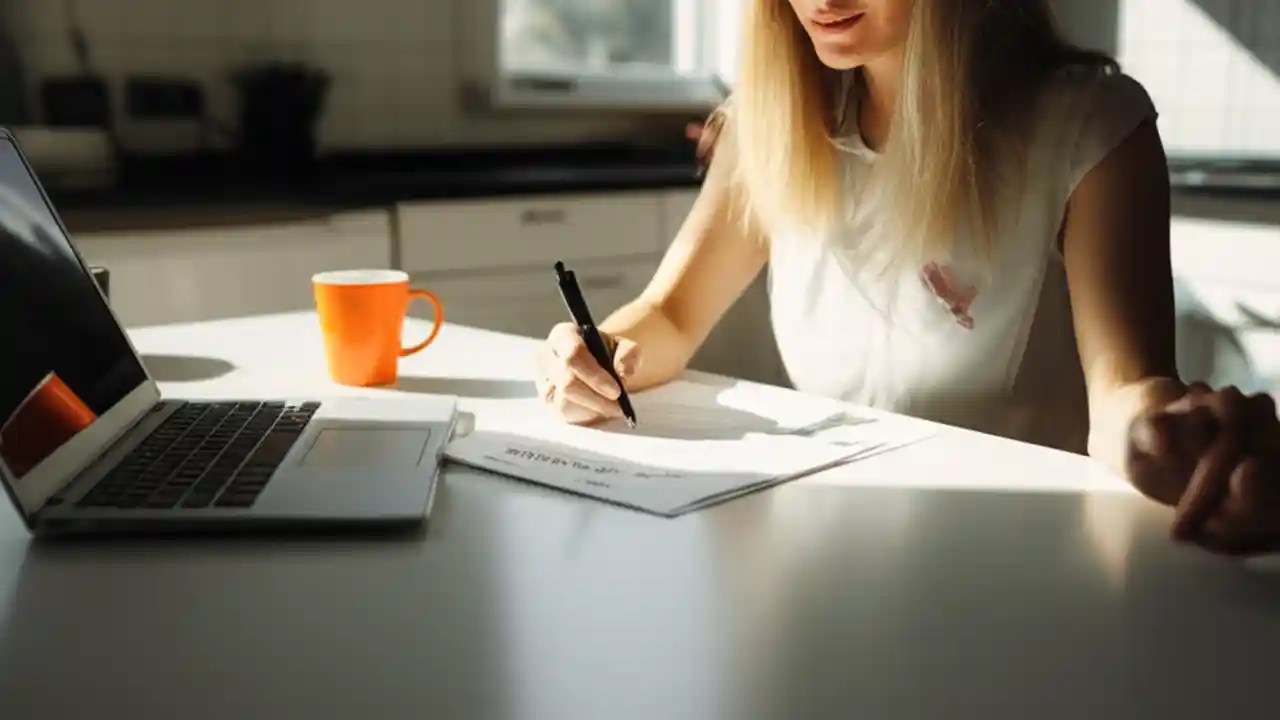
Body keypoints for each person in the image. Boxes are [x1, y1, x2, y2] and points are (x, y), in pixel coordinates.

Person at [534, 0, 1280, 555]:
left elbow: (1125, 392)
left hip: (1028, 558)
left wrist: (1170, 437)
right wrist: (596, 354)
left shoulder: (1091, 126)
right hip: (826, 544)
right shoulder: (773, 122)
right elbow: (667, 316)